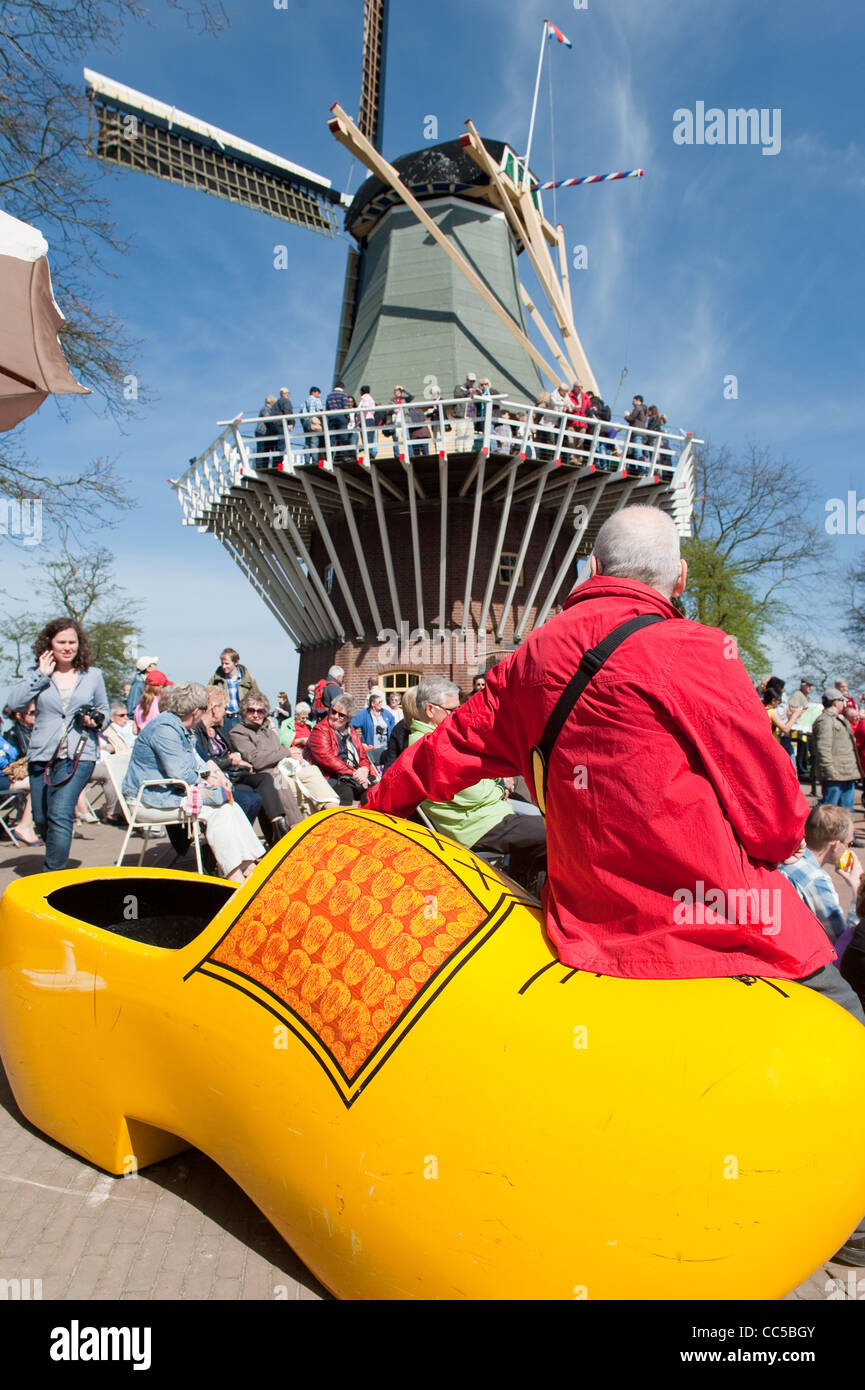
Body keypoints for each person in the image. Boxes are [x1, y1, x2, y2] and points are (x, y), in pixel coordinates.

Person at [365, 505, 849, 1001]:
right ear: (680, 578)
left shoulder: (526, 660)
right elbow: (777, 825)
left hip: (586, 936)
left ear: (592, 569)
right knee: (846, 1012)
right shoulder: (702, 651)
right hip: (723, 930)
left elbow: (437, 757)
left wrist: (367, 816)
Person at [388, 675, 547, 886]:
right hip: (478, 826)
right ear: (429, 710)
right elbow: (472, 794)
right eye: (452, 711)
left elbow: (479, 775)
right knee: (554, 833)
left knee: (547, 825)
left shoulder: (439, 738)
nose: (457, 716)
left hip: (488, 817)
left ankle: (524, 887)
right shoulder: (428, 747)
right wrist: (498, 787)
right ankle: (529, 893)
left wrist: (492, 782)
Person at [123, 682, 264, 884]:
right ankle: (234, 875)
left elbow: (193, 764)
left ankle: (249, 865)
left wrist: (210, 776)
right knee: (218, 811)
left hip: (169, 794)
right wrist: (207, 779)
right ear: (196, 712)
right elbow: (180, 773)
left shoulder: (177, 727)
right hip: (149, 799)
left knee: (229, 806)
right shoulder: (166, 730)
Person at [8, 617, 109, 872]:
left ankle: (53, 874)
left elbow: (105, 711)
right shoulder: (36, 675)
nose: (67, 647)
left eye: (72, 642)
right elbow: (16, 703)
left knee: (61, 811)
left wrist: (96, 720)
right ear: (49, 644)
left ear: (80, 644)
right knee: (41, 817)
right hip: (42, 753)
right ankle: (52, 851)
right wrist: (42, 675)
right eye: (61, 642)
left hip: (79, 753)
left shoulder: (93, 675)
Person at [195, 685, 290, 842]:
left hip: (235, 773)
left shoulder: (219, 730)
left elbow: (236, 754)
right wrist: (230, 760)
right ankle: (250, 840)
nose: (226, 712)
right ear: (213, 708)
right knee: (254, 797)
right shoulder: (199, 732)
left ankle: (278, 825)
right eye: (224, 708)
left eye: (260, 711)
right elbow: (204, 760)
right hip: (220, 778)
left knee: (265, 779)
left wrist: (240, 760)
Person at [779, 806, 860, 944]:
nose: (849, 849)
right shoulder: (816, 880)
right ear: (836, 845)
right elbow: (843, 943)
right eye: (849, 843)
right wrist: (858, 889)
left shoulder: (785, 859)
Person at [227, 693, 304, 828]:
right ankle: (295, 827)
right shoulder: (238, 732)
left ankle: (330, 811)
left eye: (260, 711)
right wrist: (286, 752)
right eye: (251, 711)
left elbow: (274, 752)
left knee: (310, 771)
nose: (256, 715)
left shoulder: (268, 731)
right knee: (276, 776)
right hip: (259, 774)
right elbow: (257, 760)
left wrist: (292, 754)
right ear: (244, 712)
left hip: (280, 767)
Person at [305, 694, 373, 805]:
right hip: (329, 776)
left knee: (373, 790)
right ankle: (342, 822)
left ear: (348, 718)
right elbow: (327, 759)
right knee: (345, 793)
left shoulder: (351, 731)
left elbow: (362, 755)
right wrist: (355, 773)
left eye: (341, 715)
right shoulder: (320, 730)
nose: (335, 716)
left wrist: (364, 769)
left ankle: (368, 821)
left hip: (350, 776)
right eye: (333, 711)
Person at [814, 688, 862, 810]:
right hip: (835, 773)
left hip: (846, 772)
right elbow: (823, 746)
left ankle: (846, 830)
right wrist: (828, 768)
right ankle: (810, 827)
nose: (843, 704)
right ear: (835, 702)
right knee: (828, 808)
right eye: (842, 700)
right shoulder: (825, 720)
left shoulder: (839, 719)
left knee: (846, 810)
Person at [1, 700, 39, 845]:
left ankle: (27, 824)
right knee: (38, 782)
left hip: (7, 775)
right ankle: (24, 826)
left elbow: (9, 755)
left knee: (43, 779)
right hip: (5, 776)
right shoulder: (12, 734)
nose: (36, 716)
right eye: (32, 713)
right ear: (18, 715)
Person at [210, 648, 258, 734]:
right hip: (223, 720)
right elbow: (208, 697)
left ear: (236, 662)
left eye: (227, 663)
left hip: (242, 718)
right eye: (222, 664)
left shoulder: (248, 679)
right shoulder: (216, 679)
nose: (224, 666)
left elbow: (257, 700)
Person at [351, 690, 395, 766]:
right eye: (379, 702)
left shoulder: (386, 713)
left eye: (382, 702)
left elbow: (392, 723)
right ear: (373, 704)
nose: (381, 704)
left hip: (385, 749)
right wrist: (357, 741)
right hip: (371, 749)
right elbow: (351, 726)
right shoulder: (364, 714)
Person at [381, 687, 417, 771]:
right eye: (392, 699)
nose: (393, 701)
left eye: (396, 700)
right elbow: (390, 762)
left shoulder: (400, 713)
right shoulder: (386, 711)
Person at [451, 372, 478, 451]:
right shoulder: (459, 387)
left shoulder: (475, 390)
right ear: (467, 380)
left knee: (469, 434)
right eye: (471, 380)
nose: (472, 382)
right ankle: (458, 450)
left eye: (473, 381)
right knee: (460, 433)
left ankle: (468, 450)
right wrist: (468, 392)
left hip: (471, 416)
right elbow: (457, 395)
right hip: (462, 415)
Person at [255, 394, 282, 467]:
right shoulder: (266, 409)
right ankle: (260, 466)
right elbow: (268, 419)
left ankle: (263, 465)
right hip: (262, 432)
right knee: (261, 449)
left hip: (265, 432)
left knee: (265, 449)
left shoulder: (268, 409)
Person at [325, 380, 351, 454]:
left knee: (332, 438)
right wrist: (348, 417)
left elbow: (327, 409)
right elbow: (346, 407)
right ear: (342, 387)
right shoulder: (343, 395)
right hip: (341, 418)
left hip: (332, 418)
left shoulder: (329, 396)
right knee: (343, 437)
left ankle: (332, 456)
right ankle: (344, 455)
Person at [301, 386, 325, 460]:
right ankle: (315, 460)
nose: (319, 395)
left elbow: (302, 411)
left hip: (306, 421)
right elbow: (319, 411)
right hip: (314, 422)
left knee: (307, 442)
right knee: (314, 442)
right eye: (318, 393)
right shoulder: (316, 400)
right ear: (313, 392)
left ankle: (307, 460)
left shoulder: (305, 401)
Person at [624, 393, 648, 462]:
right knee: (639, 453)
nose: (632, 402)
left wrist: (626, 416)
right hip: (643, 434)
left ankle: (643, 469)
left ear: (638, 400)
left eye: (633, 401)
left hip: (637, 433)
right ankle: (643, 468)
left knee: (638, 454)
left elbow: (631, 418)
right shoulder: (645, 410)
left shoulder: (638, 408)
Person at [358, 384, 378, 458]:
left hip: (367, 419)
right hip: (370, 419)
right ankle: (369, 453)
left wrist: (362, 421)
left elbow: (365, 409)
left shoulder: (365, 397)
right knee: (369, 437)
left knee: (367, 437)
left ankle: (369, 454)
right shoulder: (370, 398)